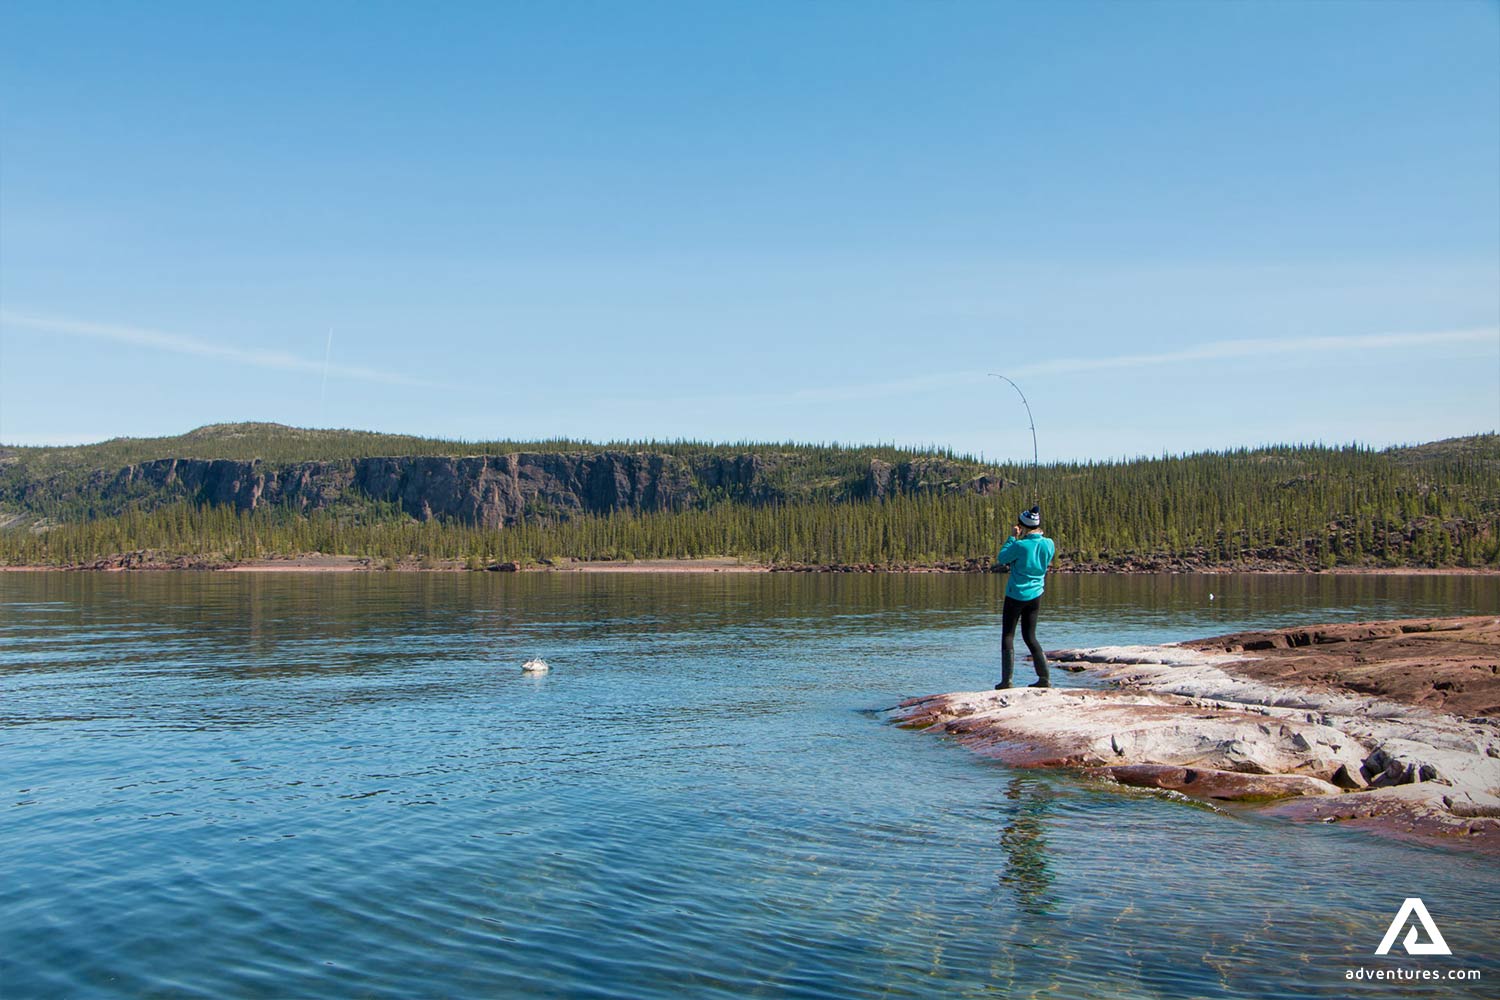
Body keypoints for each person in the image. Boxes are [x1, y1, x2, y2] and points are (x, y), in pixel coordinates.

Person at [993, 505, 1055, 689]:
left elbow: (1002, 557)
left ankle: (1007, 681)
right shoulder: (1049, 543)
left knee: (1008, 635)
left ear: (1023, 526)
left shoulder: (1020, 545)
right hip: (1036, 594)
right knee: (1030, 636)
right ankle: (1044, 678)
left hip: (1015, 595)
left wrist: (1012, 537)